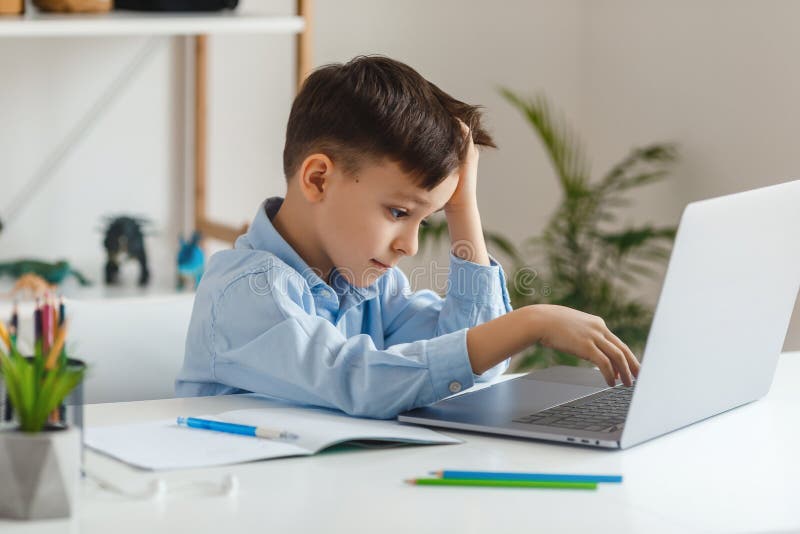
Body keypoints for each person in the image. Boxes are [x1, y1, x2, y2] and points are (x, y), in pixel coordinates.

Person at [175, 55, 639, 418]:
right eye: (398, 211)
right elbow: (358, 380)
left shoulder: (370, 286)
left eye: (426, 219)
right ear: (317, 179)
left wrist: (462, 207)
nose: (410, 246)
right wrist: (530, 322)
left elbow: (476, 367)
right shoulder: (246, 290)